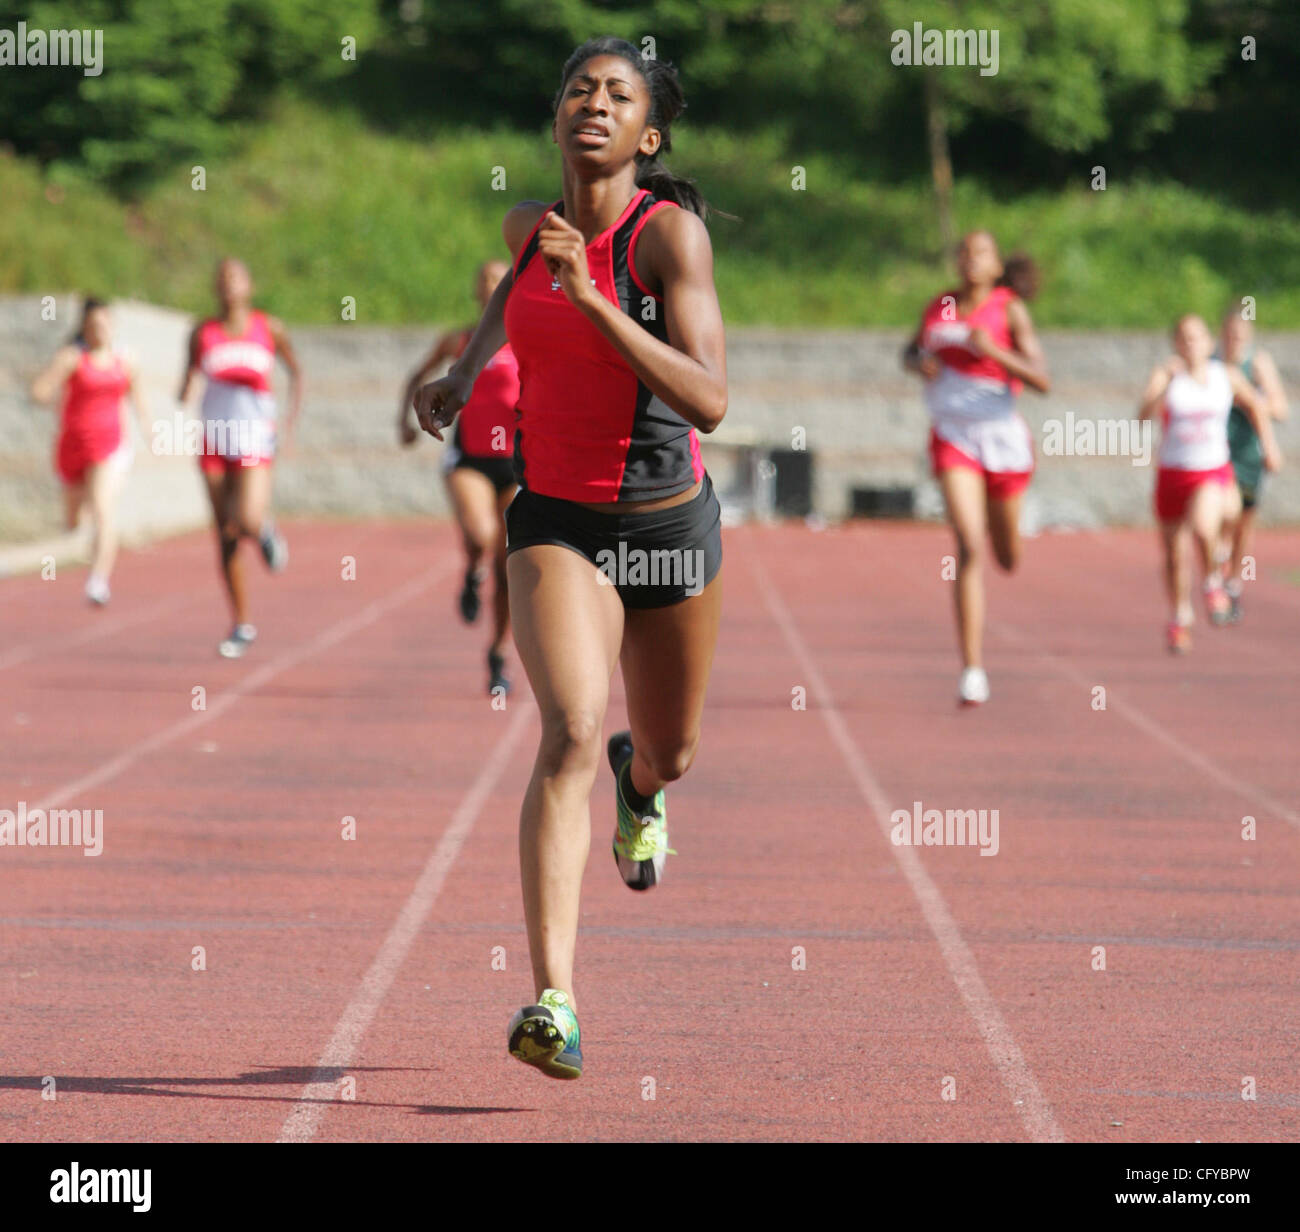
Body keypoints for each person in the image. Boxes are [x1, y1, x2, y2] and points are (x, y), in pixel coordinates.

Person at [414, 37, 727, 1080]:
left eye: (619, 94)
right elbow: (512, 297)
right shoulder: (526, 231)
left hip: (667, 522)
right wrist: (464, 376)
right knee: (567, 726)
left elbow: (711, 399)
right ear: (557, 118)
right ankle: (555, 998)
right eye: (578, 89)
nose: (594, 103)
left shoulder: (665, 240)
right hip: (557, 516)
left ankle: (639, 790)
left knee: (668, 748)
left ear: (650, 134)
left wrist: (595, 303)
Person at [902, 233, 1050, 705]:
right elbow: (910, 352)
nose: (970, 259)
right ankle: (972, 668)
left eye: (980, 253)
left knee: (1006, 557)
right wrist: (920, 362)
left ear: (996, 265)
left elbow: (1042, 378)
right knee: (967, 544)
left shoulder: (1010, 309)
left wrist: (995, 352)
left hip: (1002, 436)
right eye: (964, 251)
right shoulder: (940, 305)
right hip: (953, 435)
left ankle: (1008, 539)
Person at [399, 260, 520, 695]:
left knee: (509, 561)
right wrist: (406, 421)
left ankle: (498, 653)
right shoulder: (461, 341)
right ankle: (472, 572)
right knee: (480, 533)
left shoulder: (526, 337)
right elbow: (419, 375)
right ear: (476, 289)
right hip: (470, 458)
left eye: (498, 278)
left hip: (516, 463)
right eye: (484, 278)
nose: (490, 285)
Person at [178, 259, 302, 658]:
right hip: (215, 437)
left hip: (254, 436)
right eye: (222, 278)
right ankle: (241, 623)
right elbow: (189, 379)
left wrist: (290, 423)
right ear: (216, 287)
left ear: (250, 285)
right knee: (225, 533)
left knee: (246, 518)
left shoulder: (269, 327)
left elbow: (297, 373)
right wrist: (180, 398)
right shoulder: (203, 332)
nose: (229, 284)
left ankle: (264, 532)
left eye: (236, 277)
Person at [1138, 314, 1281, 653]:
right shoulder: (1167, 375)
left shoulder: (1225, 375)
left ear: (1208, 343)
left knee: (1204, 528)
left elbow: (1257, 408)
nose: (1190, 345)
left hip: (1211, 470)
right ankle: (1180, 617)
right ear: (1175, 343)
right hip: (1173, 472)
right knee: (1173, 556)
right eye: (1184, 338)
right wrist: (1161, 385)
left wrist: (1269, 447)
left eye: (1197, 338)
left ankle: (1213, 582)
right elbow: (1143, 414)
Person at [30, 297, 149, 605]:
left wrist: (151, 433)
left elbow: (139, 401)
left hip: (109, 445)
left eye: (105, 323)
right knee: (73, 523)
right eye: (94, 324)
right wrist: (44, 394)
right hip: (73, 445)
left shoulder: (126, 362)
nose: (100, 329)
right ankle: (77, 556)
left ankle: (98, 580)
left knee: (102, 508)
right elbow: (42, 389)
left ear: (113, 325)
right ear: (85, 327)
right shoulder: (72, 358)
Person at [1213, 306, 1289, 622]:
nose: (1234, 340)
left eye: (1240, 336)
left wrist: (1251, 401)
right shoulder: (1211, 365)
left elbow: (1280, 408)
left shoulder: (1256, 363)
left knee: (1243, 523)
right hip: (1216, 455)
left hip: (1248, 454)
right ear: (1221, 333)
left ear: (1249, 336)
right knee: (1221, 517)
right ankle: (1217, 573)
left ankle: (1233, 582)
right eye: (1229, 334)